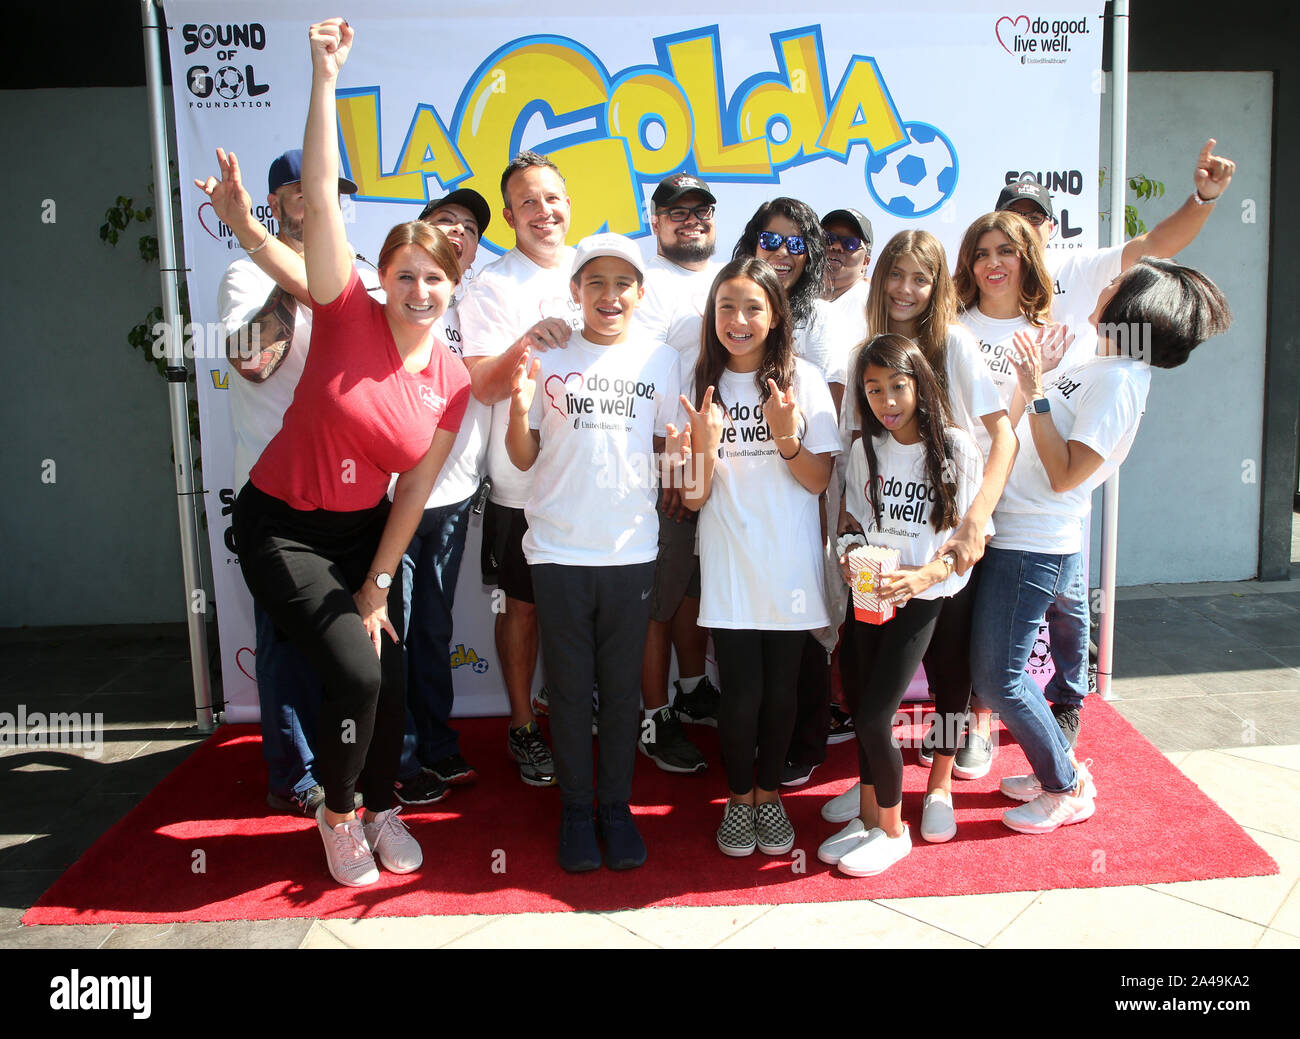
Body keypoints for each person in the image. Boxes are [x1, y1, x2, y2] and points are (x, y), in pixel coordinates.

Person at [230, 18, 470, 887]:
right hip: (281, 526)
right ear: (385, 276)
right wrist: (325, 78)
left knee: (390, 671)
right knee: (353, 669)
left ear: (453, 284)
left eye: (435, 276)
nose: (417, 288)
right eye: (404, 272)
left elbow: (413, 492)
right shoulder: (342, 309)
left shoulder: (451, 379)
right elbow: (321, 195)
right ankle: (340, 815)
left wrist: (376, 581)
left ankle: (383, 802)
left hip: (366, 531)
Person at [975, 258, 1230, 833]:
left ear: (1133, 308)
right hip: (1018, 531)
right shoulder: (1101, 363)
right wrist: (1034, 384)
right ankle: (1056, 770)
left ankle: (1064, 788)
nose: (1103, 287)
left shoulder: (1119, 382)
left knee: (998, 679)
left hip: (1034, 541)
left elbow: (1067, 474)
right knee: (998, 674)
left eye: (1115, 285)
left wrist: (1037, 393)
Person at [993, 140, 1237, 741]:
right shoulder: (980, 277)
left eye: (1033, 217)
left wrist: (1203, 199)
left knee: (1068, 602)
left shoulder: (1079, 275)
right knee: (1015, 617)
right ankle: (994, 716)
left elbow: (1156, 247)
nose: (1020, 230)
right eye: (1009, 218)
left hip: (1054, 490)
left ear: (1050, 228)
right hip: (1000, 480)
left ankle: (1067, 703)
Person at [198, 146, 376, 817]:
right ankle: (293, 774)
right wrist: (289, 269)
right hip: (277, 500)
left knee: (355, 642)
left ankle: (357, 764)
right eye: (305, 190)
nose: (322, 200)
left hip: (357, 495)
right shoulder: (244, 278)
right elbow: (252, 362)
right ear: (276, 202)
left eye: (332, 189)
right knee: (287, 642)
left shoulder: (364, 278)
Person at [824, 230, 1016, 829]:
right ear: (877, 281)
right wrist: (848, 519)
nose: (906, 289)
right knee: (864, 669)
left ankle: (938, 788)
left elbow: (1003, 437)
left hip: (945, 540)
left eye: (921, 277)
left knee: (949, 668)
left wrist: (973, 525)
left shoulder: (954, 344)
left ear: (938, 287)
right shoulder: (864, 354)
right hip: (883, 541)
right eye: (895, 275)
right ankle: (869, 791)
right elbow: (857, 442)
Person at [504, 233, 681, 871]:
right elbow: (523, 459)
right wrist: (517, 411)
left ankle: (616, 807)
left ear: (639, 293)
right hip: (555, 550)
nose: (609, 296)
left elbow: (671, 455)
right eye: (595, 283)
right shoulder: (547, 353)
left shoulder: (660, 359)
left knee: (622, 692)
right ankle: (577, 810)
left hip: (630, 550)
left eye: (622, 284)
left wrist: (703, 452)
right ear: (576, 291)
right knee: (573, 692)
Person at [677, 257, 840, 858]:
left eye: (752, 308)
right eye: (726, 307)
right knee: (740, 691)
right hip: (728, 561)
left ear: (775, 316)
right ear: (712, 314)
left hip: (790, 563)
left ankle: (770, 796)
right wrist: (705, 444)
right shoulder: (698, 383)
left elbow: (818, 481)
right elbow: (692, 496)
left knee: (781, 692)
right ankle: (739, 799)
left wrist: (786, 436)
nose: (738, 320)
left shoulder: (807, 381)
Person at [820, 334, 985, 874]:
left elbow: (967, 540)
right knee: (863, 701)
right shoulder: (868, 448)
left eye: (897, 386)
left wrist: (922, 578)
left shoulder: (957, 447)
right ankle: (870, 817)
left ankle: (901, 824)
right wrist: (849, 553)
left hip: (931, 596)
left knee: (887, 712)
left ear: (919, 382)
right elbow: (856, 525)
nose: (887, 401)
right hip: (873, 593)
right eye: (873, 390)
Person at [458, 151, 585, 787]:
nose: (543, 211)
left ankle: (574, 710)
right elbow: (480, 383)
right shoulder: (490, 286)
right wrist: (527, 341)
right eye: (528, 202)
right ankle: (521, 726)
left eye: (552, 199)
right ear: (508, 215)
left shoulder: (601, 271)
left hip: (594, 485)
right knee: (524, 610)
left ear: (570, 204)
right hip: (520, 484)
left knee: (585, 608)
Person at [734, 198, 846, 788]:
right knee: (747, 620)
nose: (781, 254)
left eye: (795, 243)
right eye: (769, 241)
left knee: (805, 616)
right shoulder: (730, 302)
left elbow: (821, 414)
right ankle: (751, 741)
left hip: (805, 482)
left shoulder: (820, 321)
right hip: (743, 491)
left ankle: (805, 739)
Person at [390, 187, 494, 801]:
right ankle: (399, 759)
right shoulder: (394, 297)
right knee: (393, 630)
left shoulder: (478, 304)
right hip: (391, 498)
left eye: (469, 228)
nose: (457, 233)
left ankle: (436, 744)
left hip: (452, 497)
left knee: (432, 628)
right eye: (444, 221)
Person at [947, 209, 1056, 780]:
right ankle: (950, 723)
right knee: (956, 621)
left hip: (1017, 511)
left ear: (1026, 258)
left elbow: (1032, 429)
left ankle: (981, 725)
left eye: (1005, 251)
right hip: (953, 506)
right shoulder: (952, 327)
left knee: (994, 632)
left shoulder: (1049, 337)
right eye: (982, 252)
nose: (993, 263)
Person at [633, 173, 724, 775]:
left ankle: (693, 689)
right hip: (666, 465)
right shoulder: (646, 283)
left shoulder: (729, 276)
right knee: (658, 600)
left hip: (724, 463)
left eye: (701, 209)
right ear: (655, 219)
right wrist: (670, 465)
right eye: (675, 210)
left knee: (695, 586)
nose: (689, 219)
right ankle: (653, 713)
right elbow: (647, 386)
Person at [821, 207, 873, 349]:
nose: (836, 246)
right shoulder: (794, 295)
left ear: (865, 262)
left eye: (850, 243)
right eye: (828, 238)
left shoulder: (874, 305)